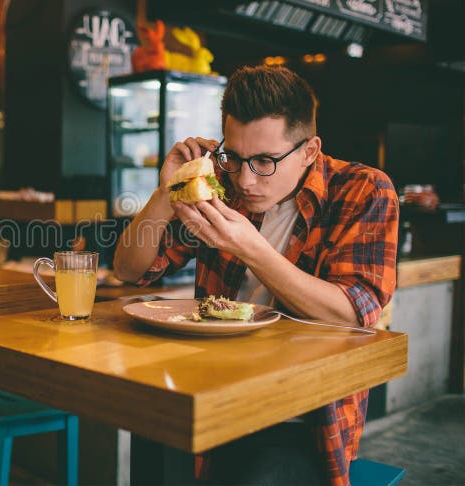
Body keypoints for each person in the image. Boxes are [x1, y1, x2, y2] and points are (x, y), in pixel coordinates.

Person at [113, 65, 399, 486]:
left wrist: (250, 247)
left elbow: (352, 313)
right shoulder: (223, 183)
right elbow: (129, 270)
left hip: (302, 418)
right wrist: (167, 192)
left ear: (309, 150)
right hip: (210, 392)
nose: (246, 179)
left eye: (265, 161)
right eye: (236, 157)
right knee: (152, 440)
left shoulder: (364, 190)